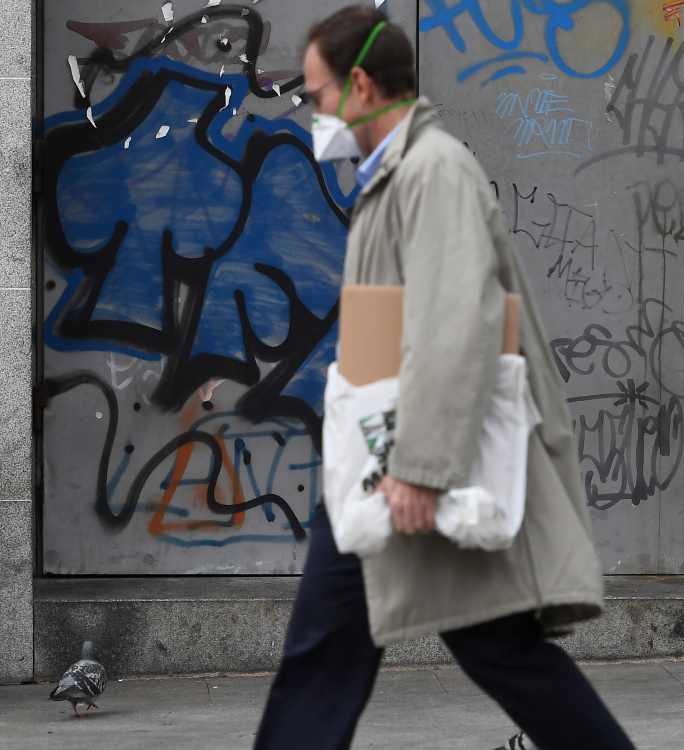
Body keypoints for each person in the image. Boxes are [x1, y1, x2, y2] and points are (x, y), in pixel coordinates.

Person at [253, 8, 635, 750]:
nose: (313, 113)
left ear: (361, 84)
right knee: (330, 654)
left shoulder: (433, 170)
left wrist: (422, 469)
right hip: (378, 459)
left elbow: (455, 321)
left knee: (495, 649)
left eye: (316, 93)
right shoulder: (395, 173)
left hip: (413, 462)